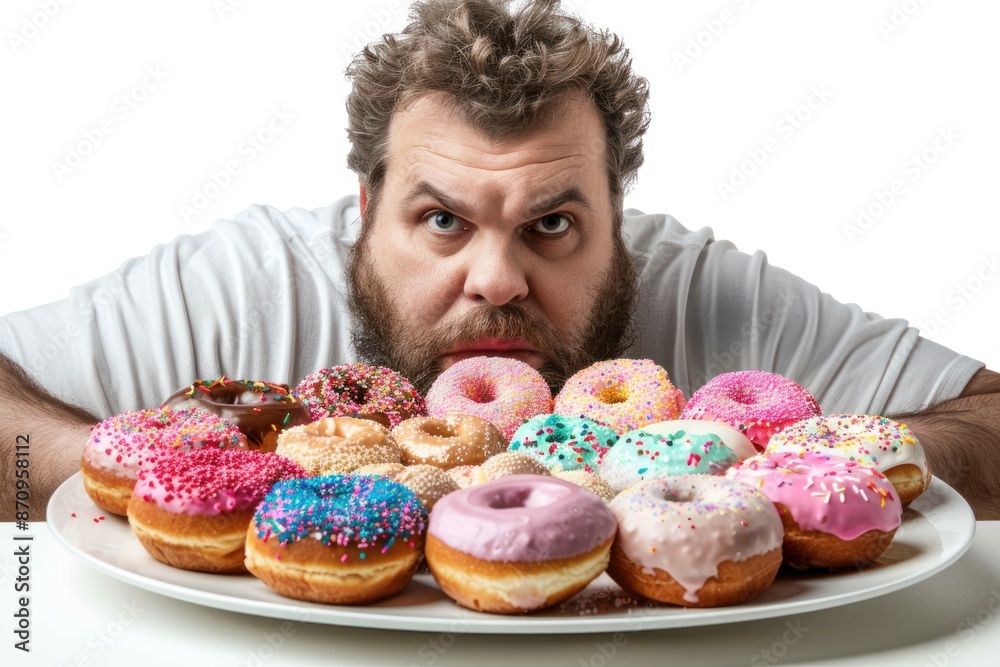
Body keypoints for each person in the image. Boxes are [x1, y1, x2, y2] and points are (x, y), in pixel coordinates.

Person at [1, 0, 998, 521]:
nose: (496, 279)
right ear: (365, 213)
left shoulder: (704, 289)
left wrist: (799, 476)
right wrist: (144, 477)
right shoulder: (250, 282)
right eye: (441, 220)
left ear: (619, 222)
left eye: (552, 224)